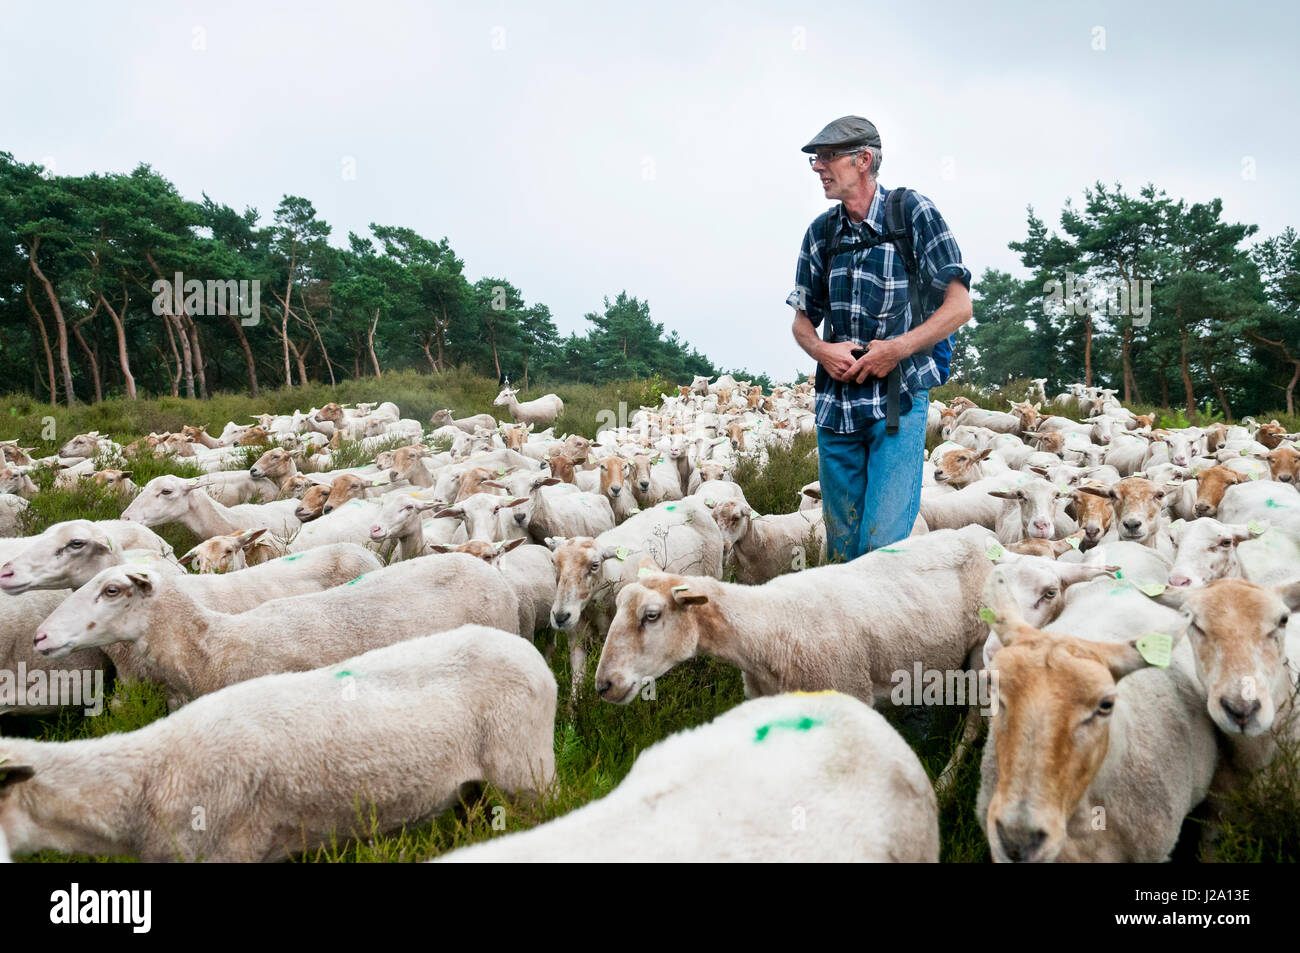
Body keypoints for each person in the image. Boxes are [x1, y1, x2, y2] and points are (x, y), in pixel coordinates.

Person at [786, 116, 972, 562]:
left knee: (883, 548)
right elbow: (802, 321)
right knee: (843, 550)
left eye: (828, 157)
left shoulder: (912, 214)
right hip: (836, 405)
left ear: (864, 160)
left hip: (897, 401)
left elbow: (959, 307)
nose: (818, 167)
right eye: (817, 158)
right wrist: (820, 349)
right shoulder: (822, 233)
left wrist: (897, 349)